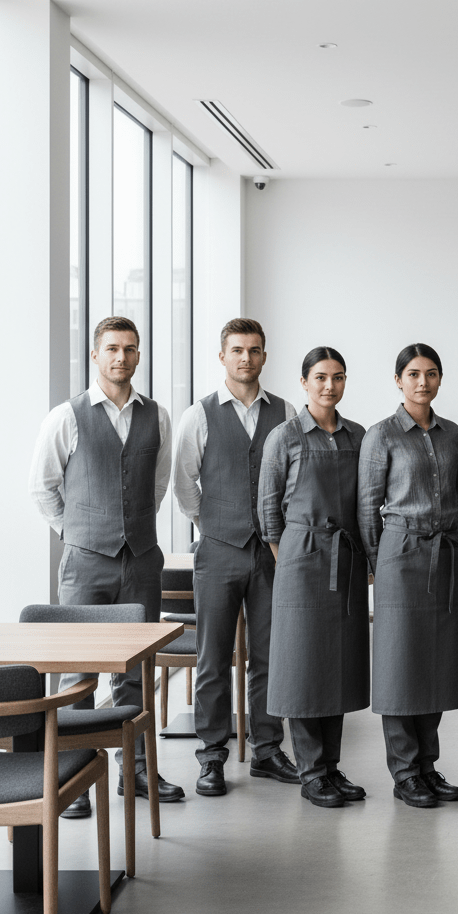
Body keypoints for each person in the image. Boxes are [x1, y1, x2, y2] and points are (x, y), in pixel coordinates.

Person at [29, 315, 184, 818]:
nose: (122, 357)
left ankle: (135, 769)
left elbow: (157, 485)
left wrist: (130, 530)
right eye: (112, 348)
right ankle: (68, 771)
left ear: (139, 356)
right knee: (75, 670)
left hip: (140, 562)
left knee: (138, 670)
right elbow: (43, 488)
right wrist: (78, 534)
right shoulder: (66, 417)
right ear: (95, 356)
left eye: (131, 348)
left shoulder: (157, 416)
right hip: (84, 564)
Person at [172, 318, 297, 796]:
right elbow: (184, 484)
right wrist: (211, 524)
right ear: (222, 356)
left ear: (265, 356)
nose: (247, 358)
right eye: (238, 350)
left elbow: (291, 480)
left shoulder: (285, 412)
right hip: (218, 553)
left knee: (270, 656)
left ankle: (268, 749)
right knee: (212, 657)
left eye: (255, 350)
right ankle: (211, 756)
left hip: (269, 553)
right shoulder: (199, 415)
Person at [258, 347, 370, 809]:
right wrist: (291, 561)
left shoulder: (358, 435)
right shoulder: (283, 438)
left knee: (338, 664)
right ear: (304, 382)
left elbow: (366, 500)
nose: (330, 386)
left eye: (338, 377)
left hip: (346, 557)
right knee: (304, 667)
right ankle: (311, 771)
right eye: (321, 377)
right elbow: (268, 511)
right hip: (301, 560)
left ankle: (332, 765)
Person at [358, 344, 458, 808]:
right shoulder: (381, 435)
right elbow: (367, 507)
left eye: (432, 373)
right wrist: (378, 562)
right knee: (401, 664)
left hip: (445, 550)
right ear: (398, 380)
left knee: (436, 661)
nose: (423, 382)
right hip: (399, 554)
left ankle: (427, 764)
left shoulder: (452, 433)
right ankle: (404, 772)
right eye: (414, 374)